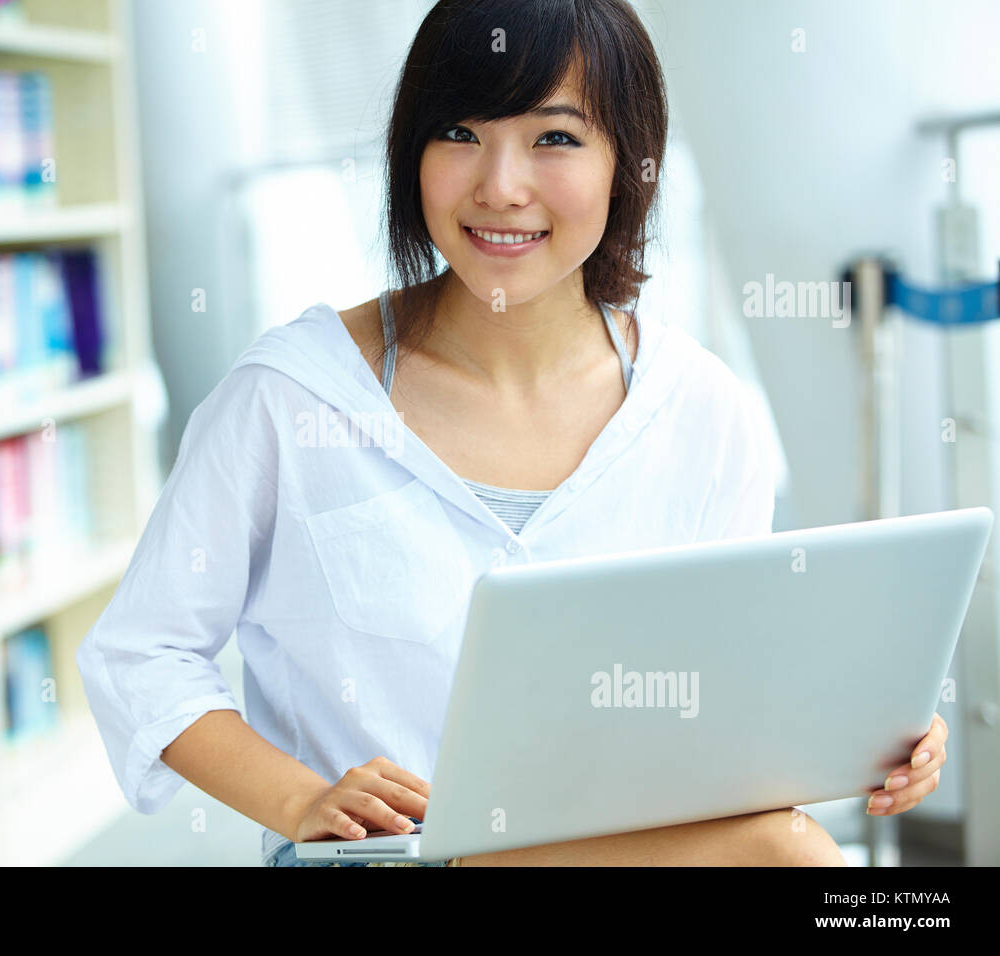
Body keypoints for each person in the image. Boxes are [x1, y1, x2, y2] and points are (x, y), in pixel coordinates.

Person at [76, 0, 947, 867]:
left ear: (626, 165)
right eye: (459, 132)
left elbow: (721, 696)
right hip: (393, 858)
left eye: (554, 138)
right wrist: (303, 798)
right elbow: (142, 654)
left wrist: (870, 731)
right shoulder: (286, 399)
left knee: (799, 853)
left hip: (617, 848)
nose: (499, 185)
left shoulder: (703, 412)